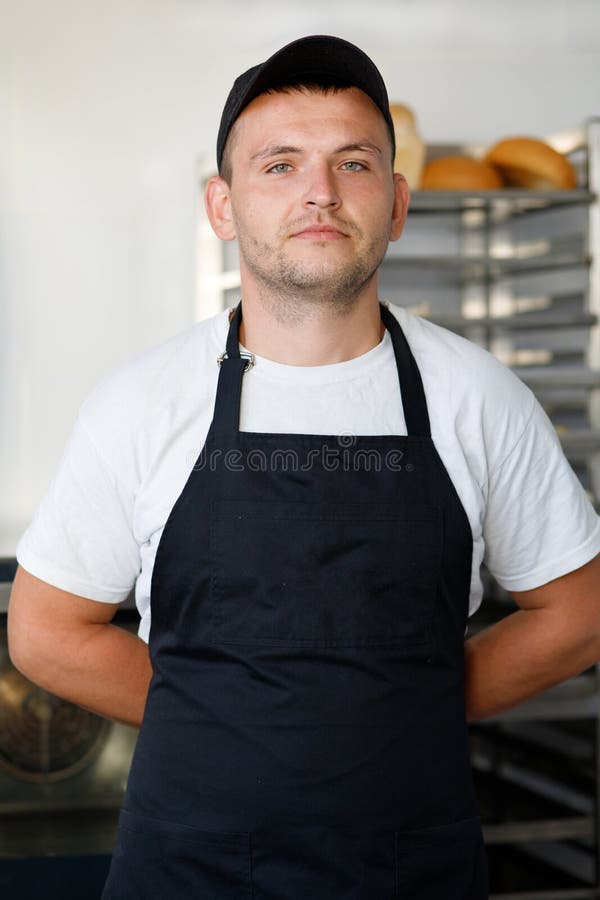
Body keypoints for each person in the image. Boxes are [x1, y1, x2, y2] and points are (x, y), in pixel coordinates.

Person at [8, 34, 600, 900]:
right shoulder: (141, 403)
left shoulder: (478, 396)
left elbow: (579, 614)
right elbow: (44, 632)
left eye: (353, 163)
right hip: (189, 874)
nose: (319, 192)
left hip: (412, 873)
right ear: (222, 205)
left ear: (396, 203)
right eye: (279, 164)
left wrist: (403, 707)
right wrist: (231, 721)